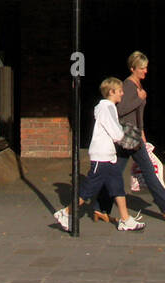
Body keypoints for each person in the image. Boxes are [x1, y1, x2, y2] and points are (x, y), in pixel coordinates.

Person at [53, 77, 145, 232]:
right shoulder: (106, 108)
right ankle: (65, 213)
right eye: (120, 91)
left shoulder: (109, 107)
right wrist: (128, 138)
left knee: (117, 186)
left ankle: (125, 219)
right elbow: (115, 132)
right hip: (101, 156)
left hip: (109, 156)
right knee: (89, 189)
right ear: (111, 92)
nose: (122, 94)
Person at [112, 51, 165, 222]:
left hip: (134, 135)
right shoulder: (128, 86)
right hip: (129, 136)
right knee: (149, 171)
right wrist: (139, 98)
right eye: (142, 68)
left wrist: (143, 132)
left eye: (146, 68)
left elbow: (137, 114)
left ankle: (101, 207)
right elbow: (120, 110)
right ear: (132, 68)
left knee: (115, 172)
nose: (145, 71)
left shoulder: (137, 85)